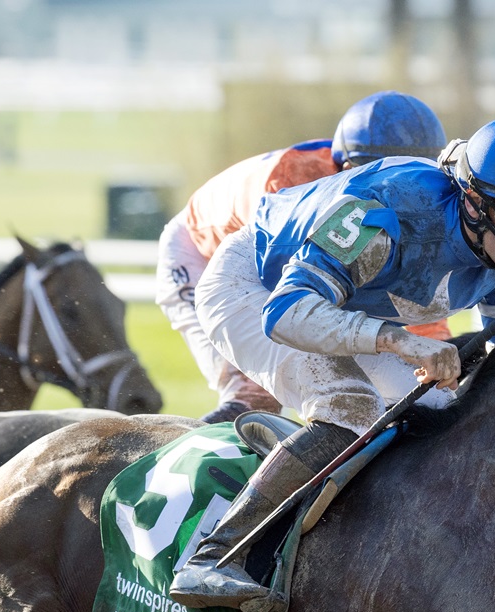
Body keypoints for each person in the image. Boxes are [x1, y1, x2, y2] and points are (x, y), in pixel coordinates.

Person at [169, 114, 495, 612]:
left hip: (339, 305)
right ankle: (213, 556)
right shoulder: (388, 213)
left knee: (440, 410)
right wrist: (400, 342)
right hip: (255, 289)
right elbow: (287, 314)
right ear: (474, 200)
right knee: (351, 408)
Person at [157, 90, 449, 423]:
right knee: (258, 395)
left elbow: (417, 291)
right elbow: (294, 300)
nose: (393, 190)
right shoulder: (294, 181)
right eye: (379, 174)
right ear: (346, 166)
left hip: (278, 266)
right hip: (204, 256)